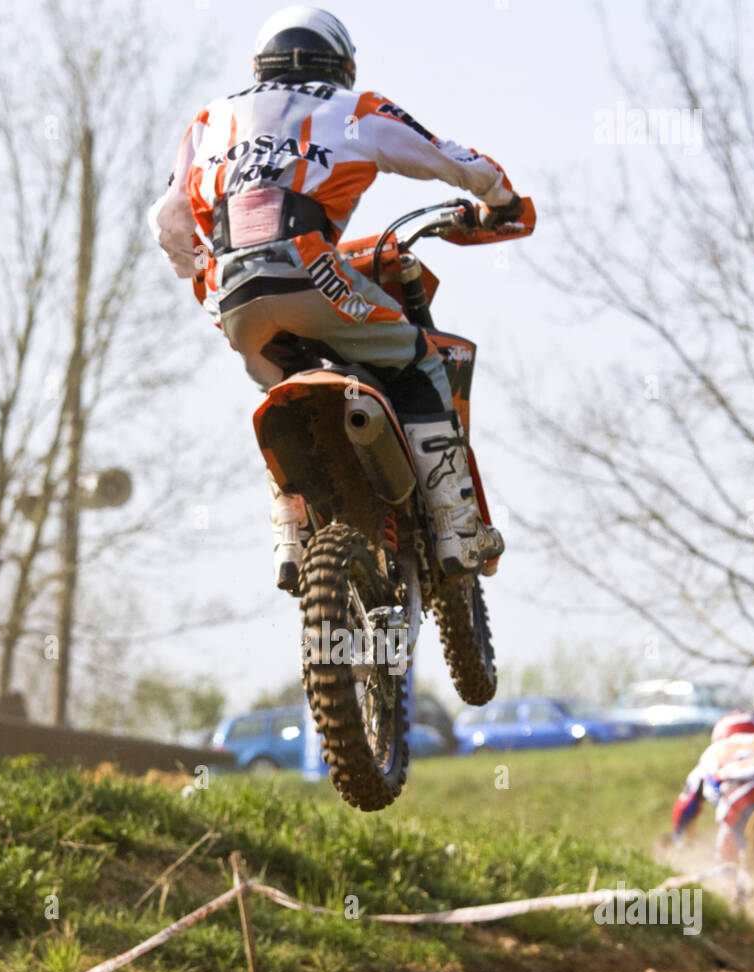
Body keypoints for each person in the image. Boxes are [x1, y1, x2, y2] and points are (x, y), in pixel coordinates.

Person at [149, 5, 528, 590]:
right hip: (309, 270)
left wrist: (201, 275)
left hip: (230, 292)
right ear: (339, 64)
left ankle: (290, 535)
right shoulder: (353, 109)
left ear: (261, 61)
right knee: (418, 358)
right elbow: (446, 157)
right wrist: (499, 197)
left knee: (280, 389)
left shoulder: (210, 119)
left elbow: (169, 223)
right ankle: (457, 528)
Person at [672, 710, 754, 876]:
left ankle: (732, 890)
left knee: (730, 865)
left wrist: (680, 840)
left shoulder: (713, 752)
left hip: (737, 802)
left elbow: (686, 804)